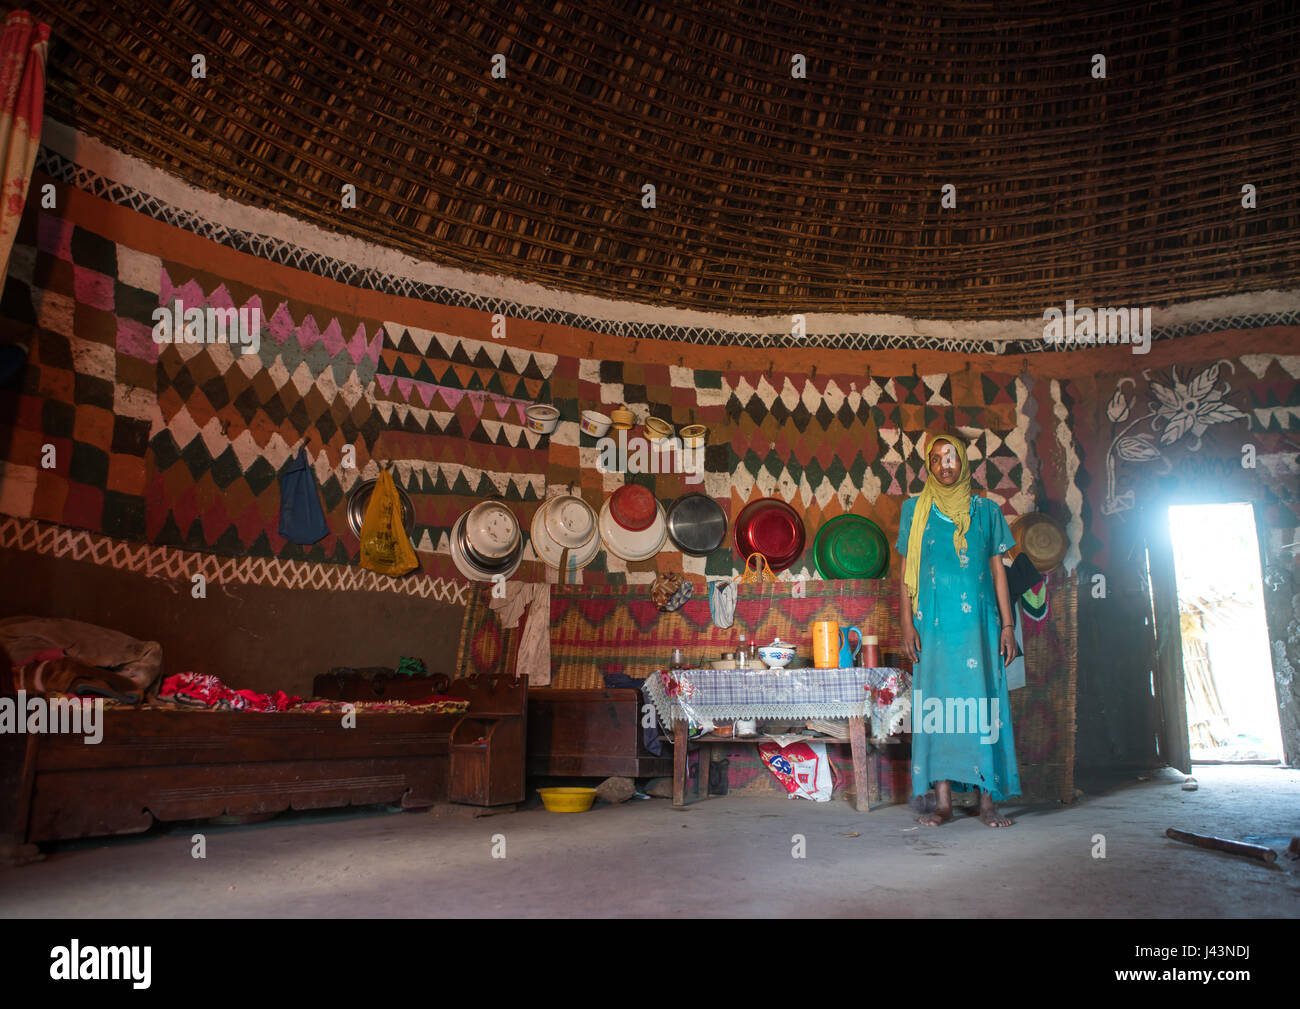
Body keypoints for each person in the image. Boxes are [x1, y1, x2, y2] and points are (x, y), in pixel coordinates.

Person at [895, 432, 1020, 827]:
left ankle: (987, 803)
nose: (944, 465)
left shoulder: (987, 511)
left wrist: (1008, 625)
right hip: (932, 627)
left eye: (951, 458)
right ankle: (943, 803)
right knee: (938, 709)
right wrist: (905, 625)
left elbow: (999, 570)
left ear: (963, 462)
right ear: (928, 466)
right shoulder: (914, 510)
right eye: (936, 459)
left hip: (979, 628)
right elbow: (905, 573)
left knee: (983, 706)